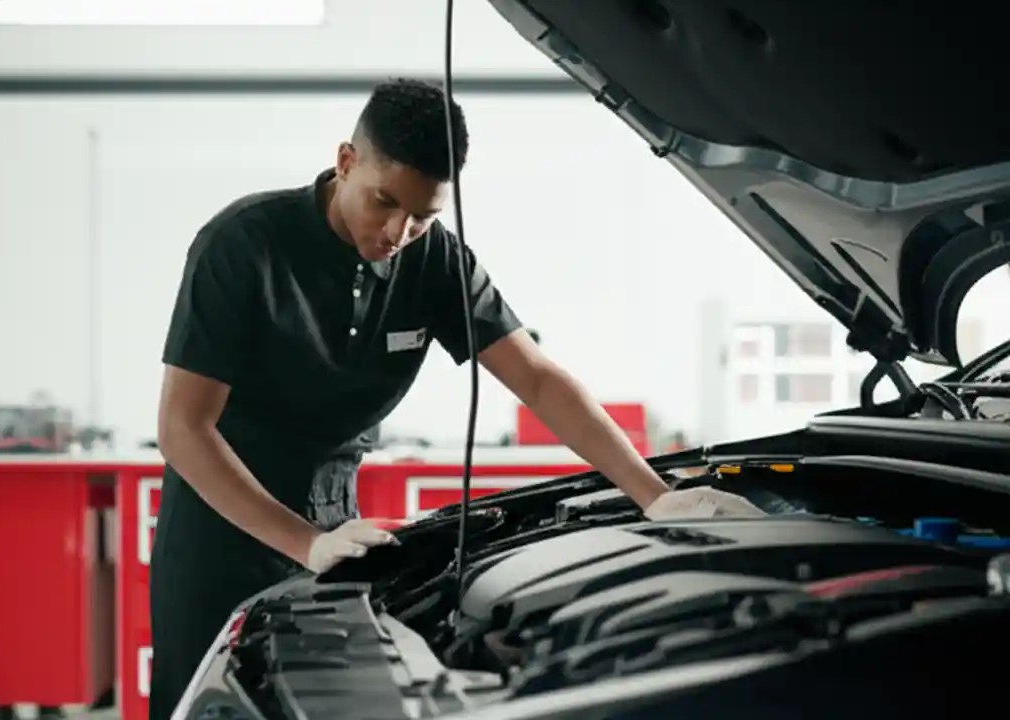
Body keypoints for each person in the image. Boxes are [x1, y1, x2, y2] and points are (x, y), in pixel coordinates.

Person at [148, 77, 764, 719]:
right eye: (383, 202)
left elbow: (536, 377)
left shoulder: (434, 259)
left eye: (423, 215)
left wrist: (655, 494)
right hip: (220, 533)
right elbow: (184, 428)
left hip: (336, 526)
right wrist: (302, 542)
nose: (398, 231)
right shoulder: (244, 243)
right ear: (345, 161)